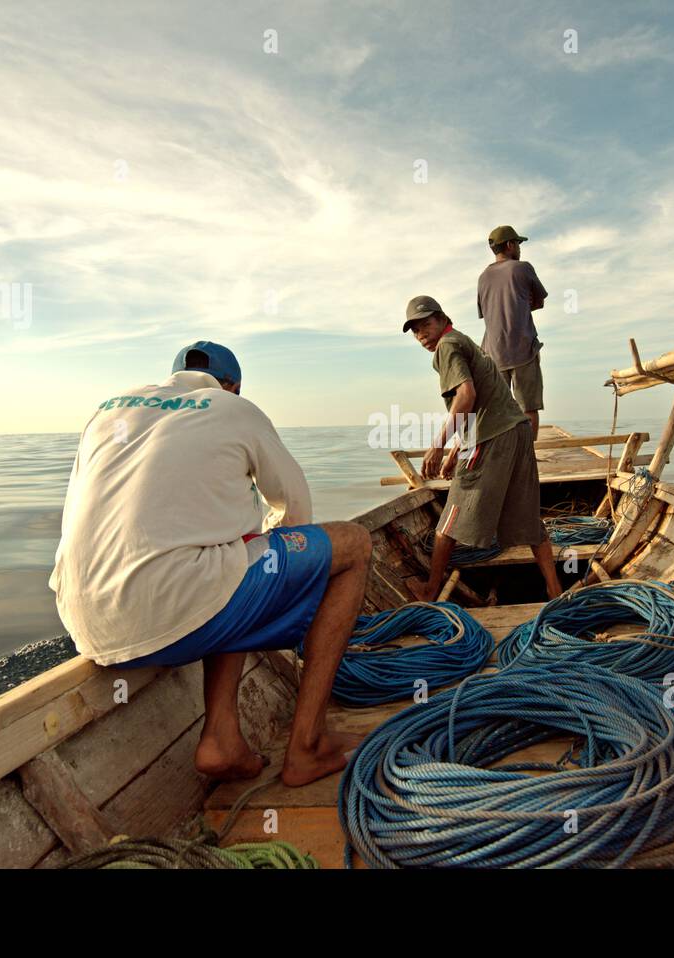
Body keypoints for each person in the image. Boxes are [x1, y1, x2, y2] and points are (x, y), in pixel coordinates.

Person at [49, 340, 369, 788]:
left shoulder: (107, 410)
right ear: (232, 386)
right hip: (171, 612)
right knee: (353, 545)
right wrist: (290, 577)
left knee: (231, 554)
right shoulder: (232, 408)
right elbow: (296, 510)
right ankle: (307, 746)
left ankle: (222, 738)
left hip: (84, 622)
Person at [402, 295, 562, 602]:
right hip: (518, 432)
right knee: (528, 518)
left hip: (493, 439)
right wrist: (456, 452)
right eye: (415, 330)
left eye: (426, 325)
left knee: (450, 516)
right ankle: (554, 591)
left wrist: (438, 446)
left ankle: (430, 590)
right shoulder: (465, 342)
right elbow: (483, 404)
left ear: (442, 319)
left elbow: (466, 396)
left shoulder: (447, 347)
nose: (422, 335)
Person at [477, 225, 549, 440]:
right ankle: (528, 455)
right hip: (522, 349)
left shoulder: (483, 277)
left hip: (492, 353)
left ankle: (499, 453)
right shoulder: (522, 268)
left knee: (496, 409)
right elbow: (539, 301)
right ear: (509, 245)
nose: (519, 248)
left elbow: (487, 312)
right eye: (517, 243)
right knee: (528, 407)